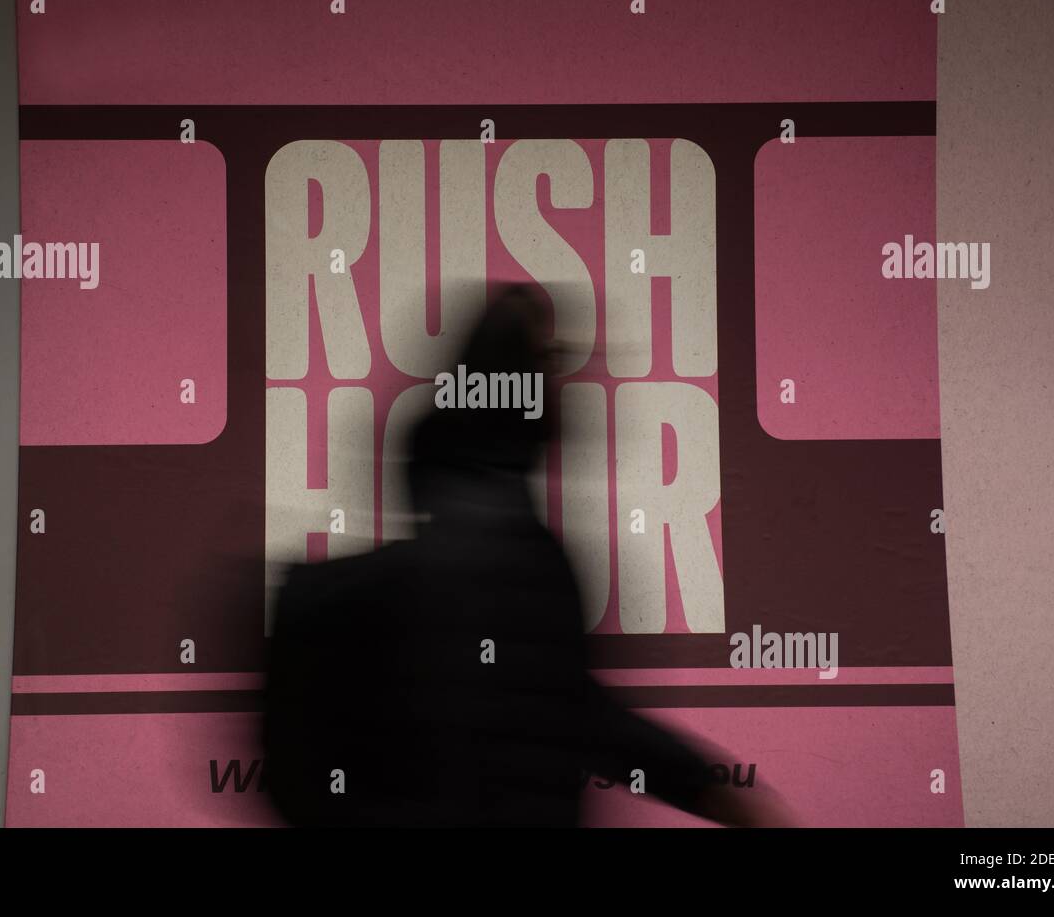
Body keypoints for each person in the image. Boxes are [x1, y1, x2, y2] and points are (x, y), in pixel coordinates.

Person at [264, 283, 793, 827]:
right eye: (552, 359)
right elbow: (574, 715)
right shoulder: (518, 560)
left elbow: (565, 709)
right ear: (519, 385)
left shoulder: (477, 549)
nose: (568, 382)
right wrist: (722, 795)